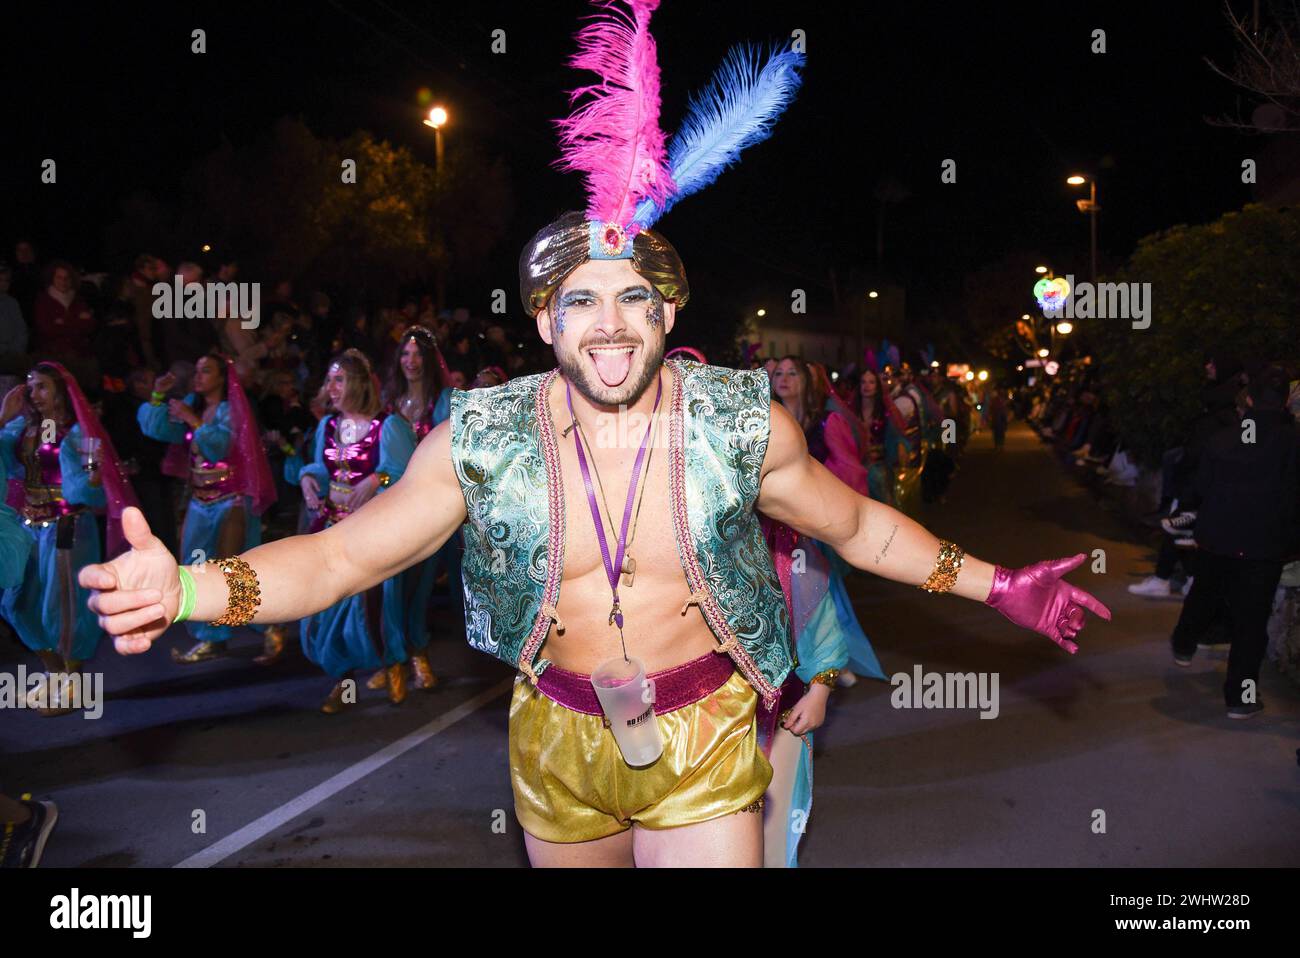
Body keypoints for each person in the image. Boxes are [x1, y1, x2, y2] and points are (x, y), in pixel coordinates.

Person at [81, 1, 1108, 868]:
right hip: (552, 734)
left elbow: (862, 529)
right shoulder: (480, 437)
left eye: (633, 300)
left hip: (702, 728)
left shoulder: (739, 420)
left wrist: (1001, 586)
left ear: (667, 318)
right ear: (545, 321)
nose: (609, 323)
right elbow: (345, 554)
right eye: (581, 301)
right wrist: (188, 590)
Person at [0, 362, 137, 715]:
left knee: (63, 608)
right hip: (31, 526)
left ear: (61, 391)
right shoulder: (22, 429)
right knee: (16, 604)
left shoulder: (74, 435)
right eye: (30, 387)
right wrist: (2, 418)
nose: (33, 394)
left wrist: (92, 476)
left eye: (42, 386)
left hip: (67, 529)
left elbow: (85, 494)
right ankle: (55, 673)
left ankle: (73, 685)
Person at [1170, 365, 1300, 717]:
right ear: (1287, 399)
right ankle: (1240, 698)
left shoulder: (1227, 438)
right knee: (1251, 622)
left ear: (1251, 399)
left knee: (1205, 593)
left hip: (1218, 537)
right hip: (1264, 545)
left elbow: (1202, 486)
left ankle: (1183, 642)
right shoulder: (1292, 442)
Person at [137, 352, 283, 664]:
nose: (198, 377)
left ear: (222, 377)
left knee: (235, 571)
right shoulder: (196, 404)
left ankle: (269, 625)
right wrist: (159, 395)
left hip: (231, 499)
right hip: (200, 500)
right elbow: (157, 430)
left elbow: (220, 446)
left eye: (206, 371)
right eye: (197, 371)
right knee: (197, 567)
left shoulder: (231, 410)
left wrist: (193, 418)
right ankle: (210, 638)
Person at [297, 350, 420, 711]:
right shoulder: (328, 427)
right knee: (327, 608)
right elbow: (322, 468)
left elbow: (408, 473)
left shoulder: (388, 426)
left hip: (371, 535)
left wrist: (377, 478)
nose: (330, 388)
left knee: (373, 609)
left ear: (359, 383)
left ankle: (393, 665)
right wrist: (308, 479)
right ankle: (343, 683)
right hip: (331, 527)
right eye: (328, 381)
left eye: (339, 380)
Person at [32, 262, 95, 359]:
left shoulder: (78, 300)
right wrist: (77, 321)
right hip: (53, 352)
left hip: (81, 351)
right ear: (52, 279)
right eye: (59, 277)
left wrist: (64, 322)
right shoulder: (43, 301)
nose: (63, 281)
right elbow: (47, 330)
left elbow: (90, 326)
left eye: (67, 278)